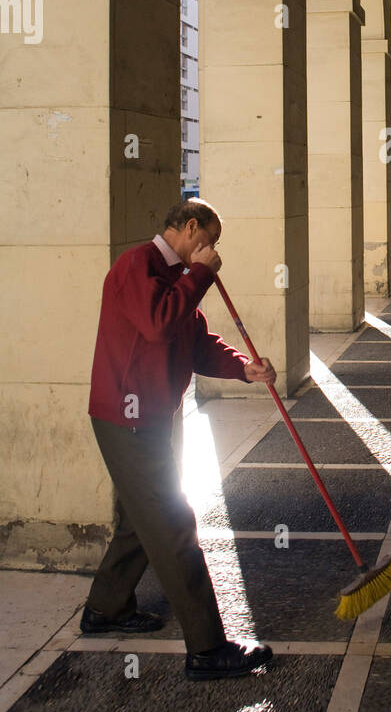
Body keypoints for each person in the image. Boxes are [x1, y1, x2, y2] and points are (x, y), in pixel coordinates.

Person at [83, 198, 276, 681]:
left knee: (139, 519)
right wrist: (202, 275)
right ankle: (208, 649)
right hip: (127, 417)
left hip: (150, 415)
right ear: (190, 228)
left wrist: (244, 369)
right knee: (172, 522)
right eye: (210, 241)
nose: (213, 252)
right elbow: (158, 323)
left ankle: (105, 609)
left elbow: (194, 342)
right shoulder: (138, 265)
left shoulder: (175, 276)